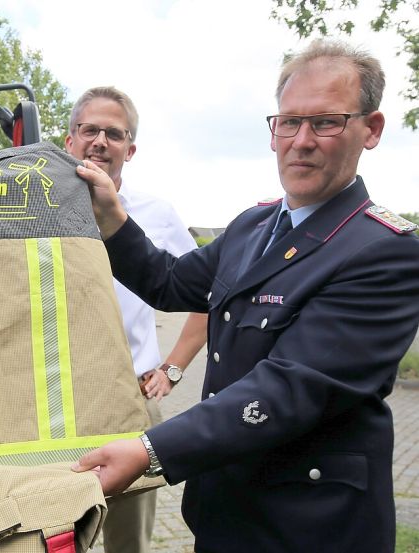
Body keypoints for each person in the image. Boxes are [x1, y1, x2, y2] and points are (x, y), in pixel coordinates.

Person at [74, 39, 419, 553]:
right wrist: (113, 221)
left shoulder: (385, 252)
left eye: (326, 122)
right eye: (288, 121)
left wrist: (151, 449)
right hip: (227, 511)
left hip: (309, 526)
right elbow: (170, 282)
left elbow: (289, 388)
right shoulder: (255, 225)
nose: (301, 140)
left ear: (370, 130)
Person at [64, 86, 207, 553]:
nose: (100, 141)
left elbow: (206, 296)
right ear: (70, 140)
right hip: (52, 401)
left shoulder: (157, 215)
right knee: (55, 531)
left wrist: (173, 367)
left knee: (128, 541)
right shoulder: (33, 206)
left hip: (130, 399)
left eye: (114, 133)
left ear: (131, 148)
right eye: (90, 130)